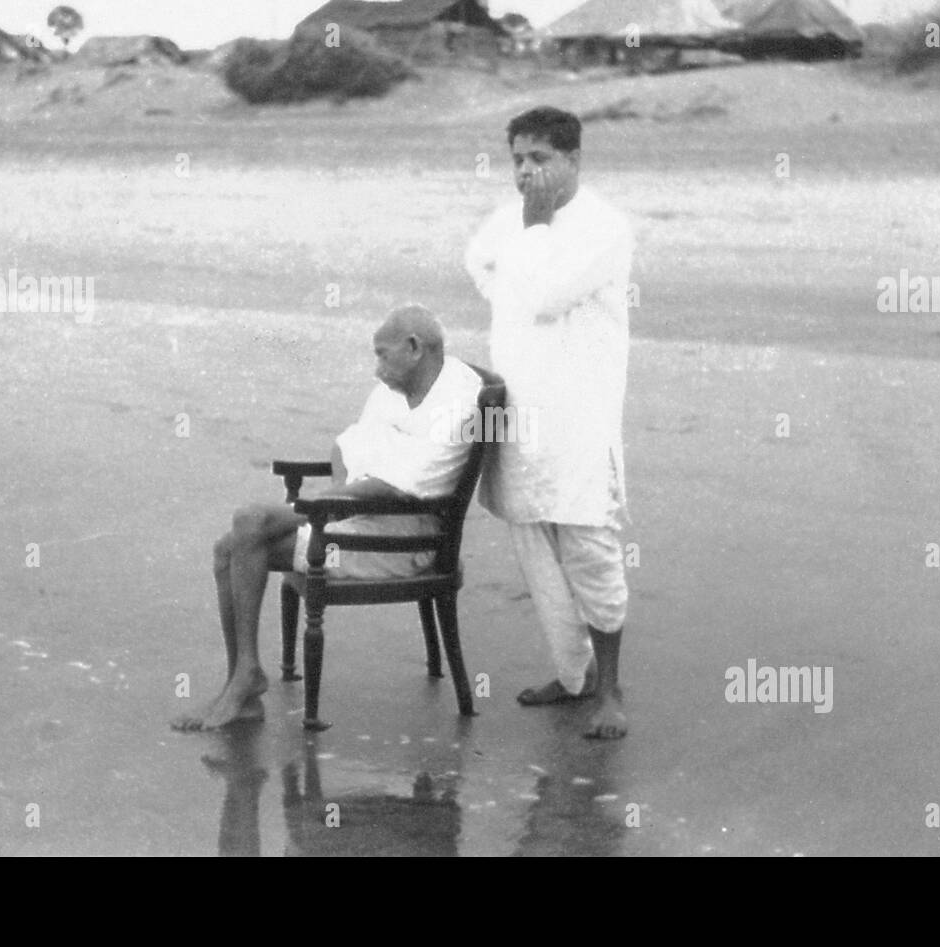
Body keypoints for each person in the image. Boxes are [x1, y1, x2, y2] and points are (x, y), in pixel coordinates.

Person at [172, 305, 482, 731]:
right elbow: (350, 446)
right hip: (359, 529)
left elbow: (398, 486)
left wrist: (327, 504)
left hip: (399, 546)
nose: (377, 369)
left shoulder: (458, 404)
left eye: (382, 354)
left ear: (414, 348)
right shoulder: (402, 386)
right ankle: (241, 679)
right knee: (232, 545)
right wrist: (336, 499)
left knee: (249, 523)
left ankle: (245, 681)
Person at [465, 106, 634, 740]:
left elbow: (547, 296)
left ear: (573, 161)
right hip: (521, 407)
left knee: (589, 545)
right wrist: (517, 272)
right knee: (534, 541)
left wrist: (533, 236)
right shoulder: (509, 218)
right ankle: (573, 675)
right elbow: (478, 261)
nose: (525, 172)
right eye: (517, 160)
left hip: (579, 416)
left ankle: (609, 690)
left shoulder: (604, 227)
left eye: (540, 159)